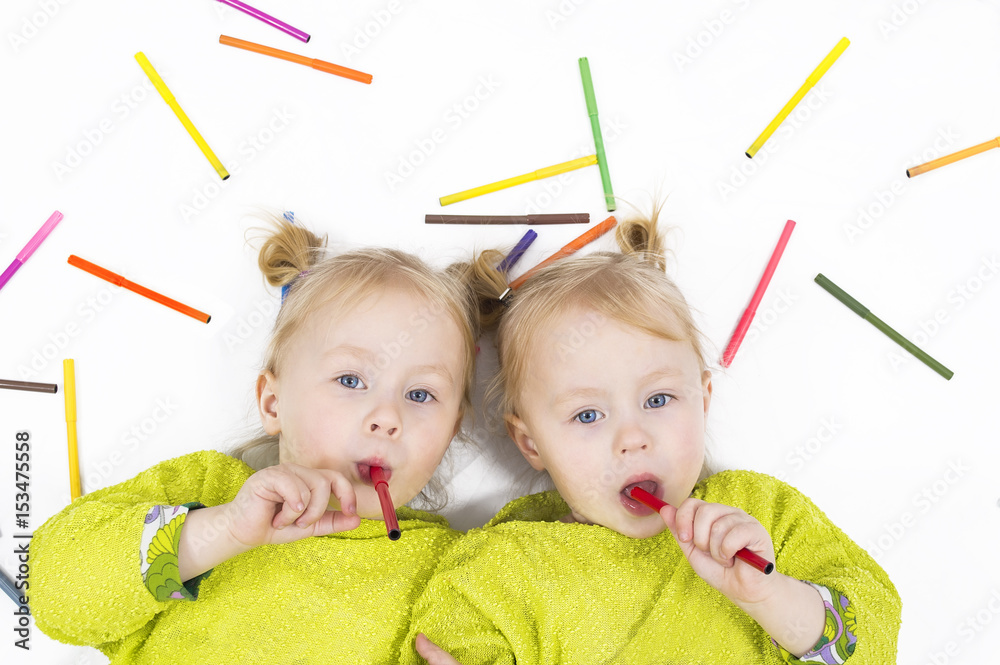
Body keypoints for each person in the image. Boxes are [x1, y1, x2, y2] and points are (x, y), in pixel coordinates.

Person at [408, 207, 900, 664]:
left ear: (703, 401)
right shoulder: (503, 572)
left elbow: (872, 640)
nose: (633, 438)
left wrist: (771, 597)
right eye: (587, 415)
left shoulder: (762, 513)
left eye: (658, 400)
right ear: (531, 443)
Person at [31, 216, 480, 663]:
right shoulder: (207, 490)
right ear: (273, 403)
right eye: (350, 380)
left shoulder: (453, 572)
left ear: (451, 432)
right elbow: (56, 595)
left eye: (420, 394)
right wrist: (221, 531)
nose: (386, 417)